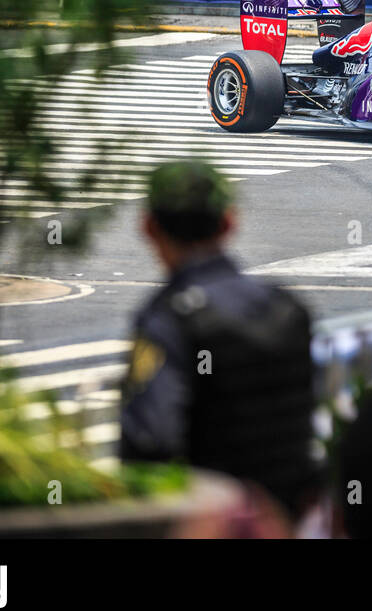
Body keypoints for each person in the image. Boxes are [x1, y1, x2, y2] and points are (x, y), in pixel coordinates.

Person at [120, 161, 318, 519]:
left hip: (213, 519)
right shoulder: (286, 306)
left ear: (149, 227)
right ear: (229, 222)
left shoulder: (168, 320)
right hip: (290, 517)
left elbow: (149, 441)